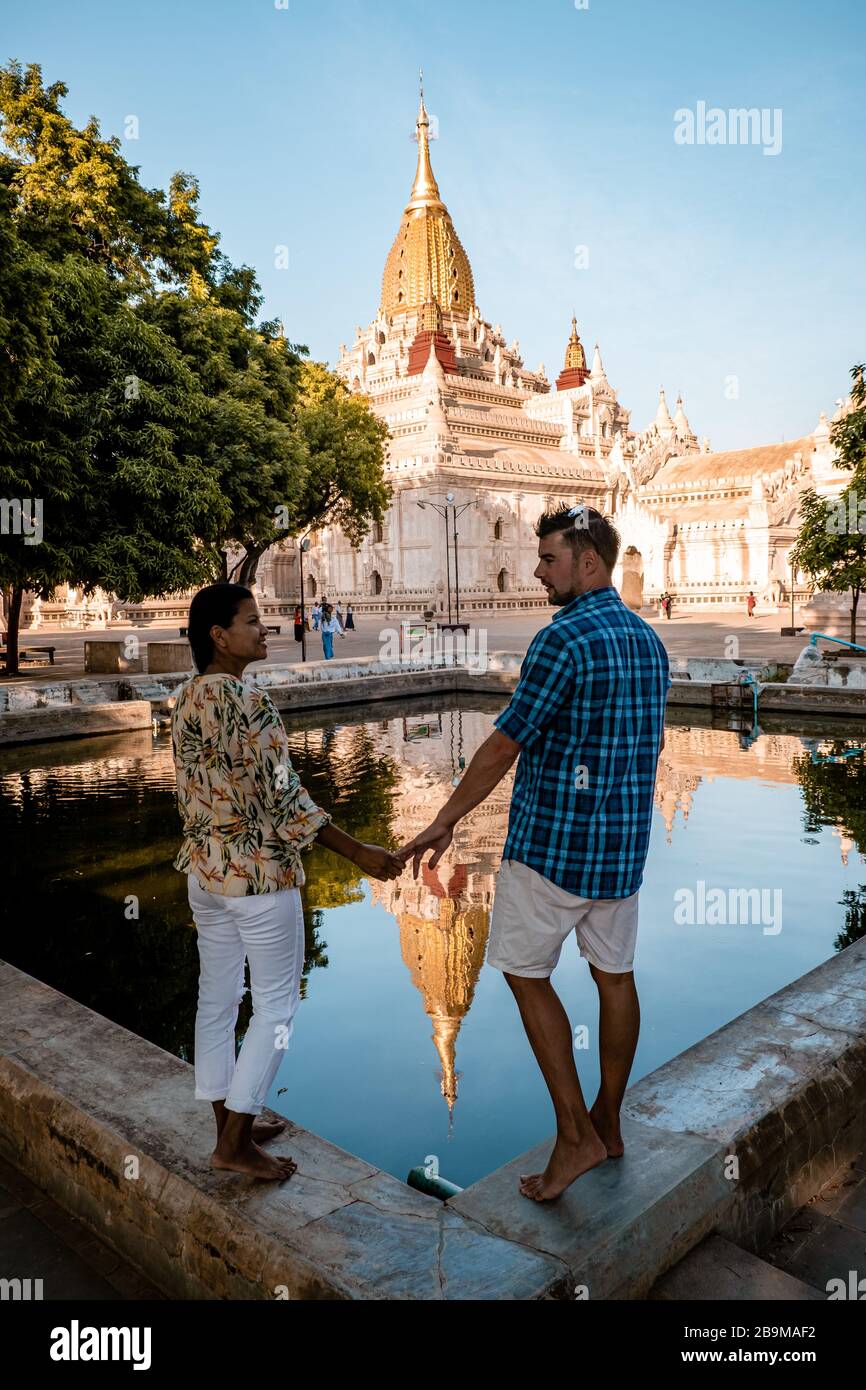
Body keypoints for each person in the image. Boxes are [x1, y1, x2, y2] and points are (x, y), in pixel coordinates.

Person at [399, 507, 670, 1202]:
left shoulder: (563, 638)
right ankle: (608, 1119)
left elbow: (503, 743)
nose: (537, 571)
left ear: (587, 561)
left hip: (552, 847)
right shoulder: (647, 640)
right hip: (621, 849)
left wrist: (444, 820)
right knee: (615, 977)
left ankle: (575, 1133)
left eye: (549, 559)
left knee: (524, 975)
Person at [171, 583, 404, 1183]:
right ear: (219, 637)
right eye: (253, 622)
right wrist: (358, 852)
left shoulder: (188, 698)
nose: (264, 629)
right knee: (276, 1004)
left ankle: (229, 1119)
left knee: (217, 999)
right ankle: (236, 1141)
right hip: (259, 877)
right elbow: (284, 799)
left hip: (206, 872)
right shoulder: (251, 704)